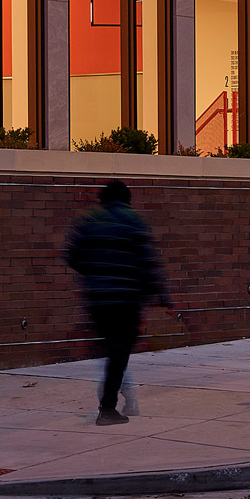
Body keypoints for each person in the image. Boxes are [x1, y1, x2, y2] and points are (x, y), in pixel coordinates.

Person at [63, 180, 172, 425]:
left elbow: (72, 256)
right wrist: (160, 295)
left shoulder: (89, 222)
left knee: (111, 349)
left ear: (103, 199)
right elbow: (147, 262)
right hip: (126, 297)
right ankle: (108, 408)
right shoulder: (133, 221)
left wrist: (96, 275)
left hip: (97, 298)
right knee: (119, 351)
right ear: (127, 199)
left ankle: (113, 403)